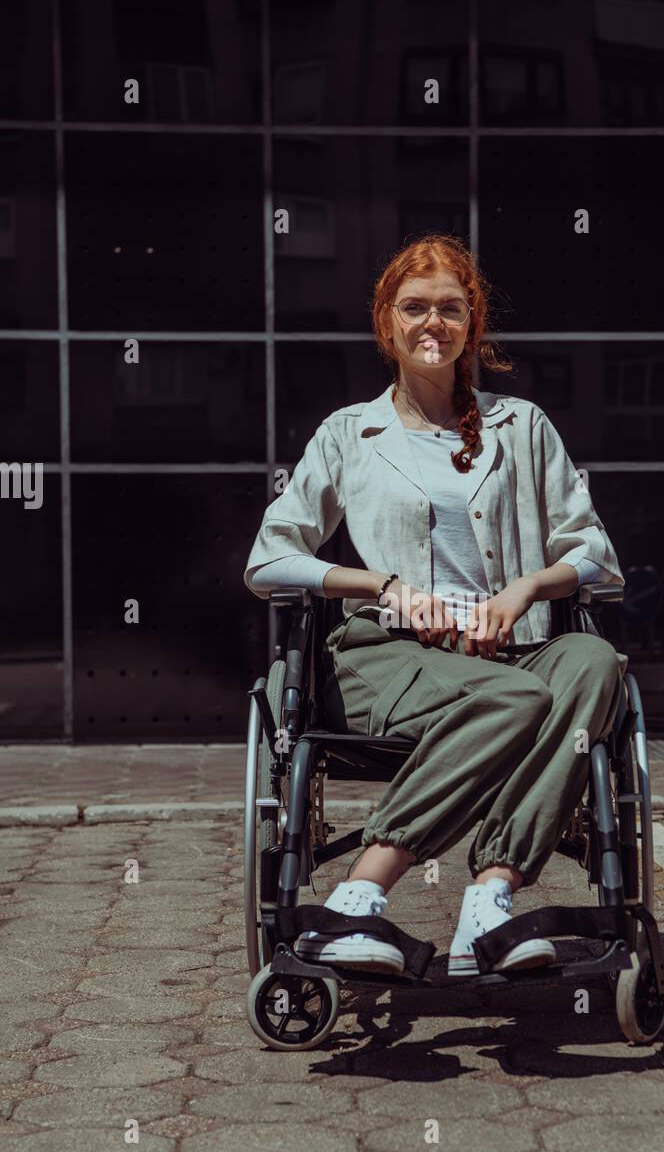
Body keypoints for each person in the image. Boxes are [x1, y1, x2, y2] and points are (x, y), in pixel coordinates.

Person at [244, 234, 626, 978]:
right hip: (390, 658)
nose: (432, 324)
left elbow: (596, 556)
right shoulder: (351, 433)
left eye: (450, 309)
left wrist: (523, 591)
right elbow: (269, 559)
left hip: (508, 653)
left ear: (472, 325)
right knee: (514, 699)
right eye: (414, 308)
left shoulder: (523, 428)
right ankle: (357, 899)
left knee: (593, 660)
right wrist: (381, 587)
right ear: (386, 324)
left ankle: (488, 904)